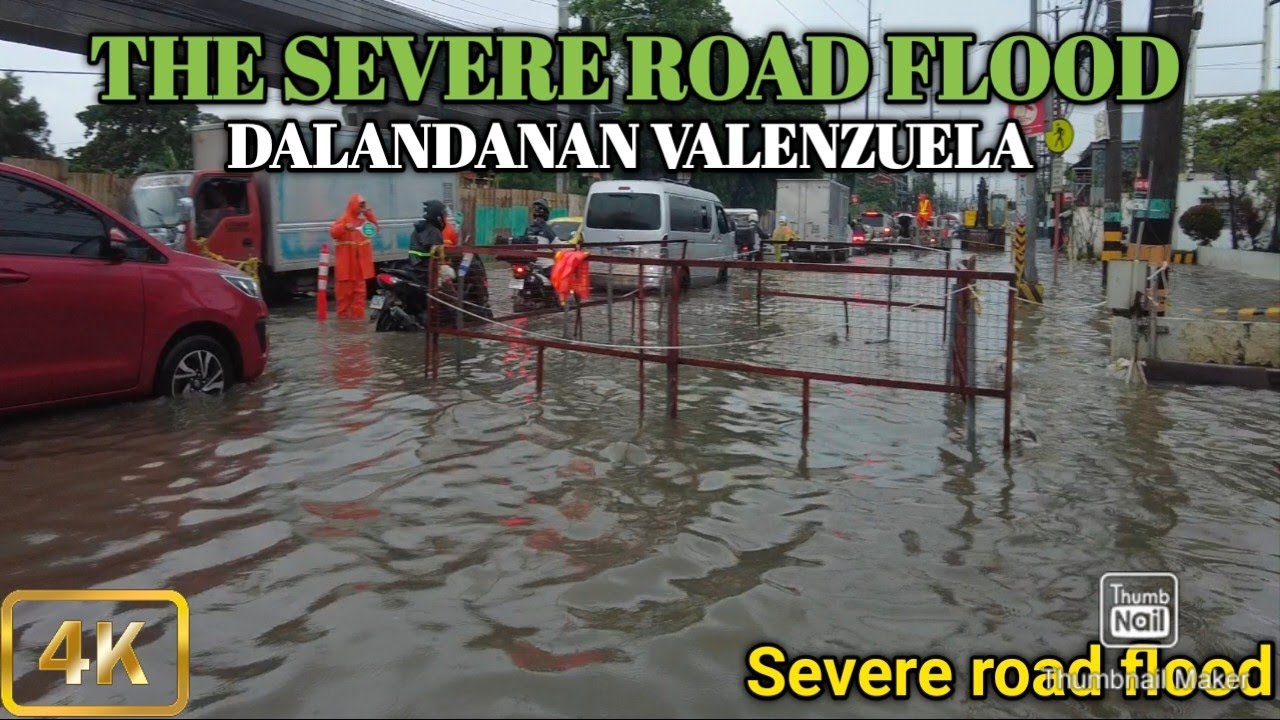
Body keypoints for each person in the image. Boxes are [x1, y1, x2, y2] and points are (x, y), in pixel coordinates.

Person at [328, 193, 378, 319]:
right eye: (360, 205)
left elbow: (376, 228)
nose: (361, 208)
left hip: (359, 273)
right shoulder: (343, 220)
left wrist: (368, 213)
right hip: (345, 273)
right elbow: (333, 232)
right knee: (343, 305)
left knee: (359, 305)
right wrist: (345, 227)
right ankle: (345, 333)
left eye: (363, 205)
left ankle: (357, 332)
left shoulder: (364, 223)